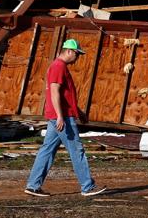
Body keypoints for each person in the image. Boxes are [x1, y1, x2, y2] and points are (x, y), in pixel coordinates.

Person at [24, 38, 107, 197]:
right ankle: (87, 186)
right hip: (62, 117)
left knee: (47, 150)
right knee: (76, 150)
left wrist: (78, 112)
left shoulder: (58, 66)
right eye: (77, 54)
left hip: (59, 115)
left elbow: (64, 96)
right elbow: (54, 92)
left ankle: (33, 186)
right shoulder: (59, 66)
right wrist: (60, 116)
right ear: (69, 51)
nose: (77, 57)